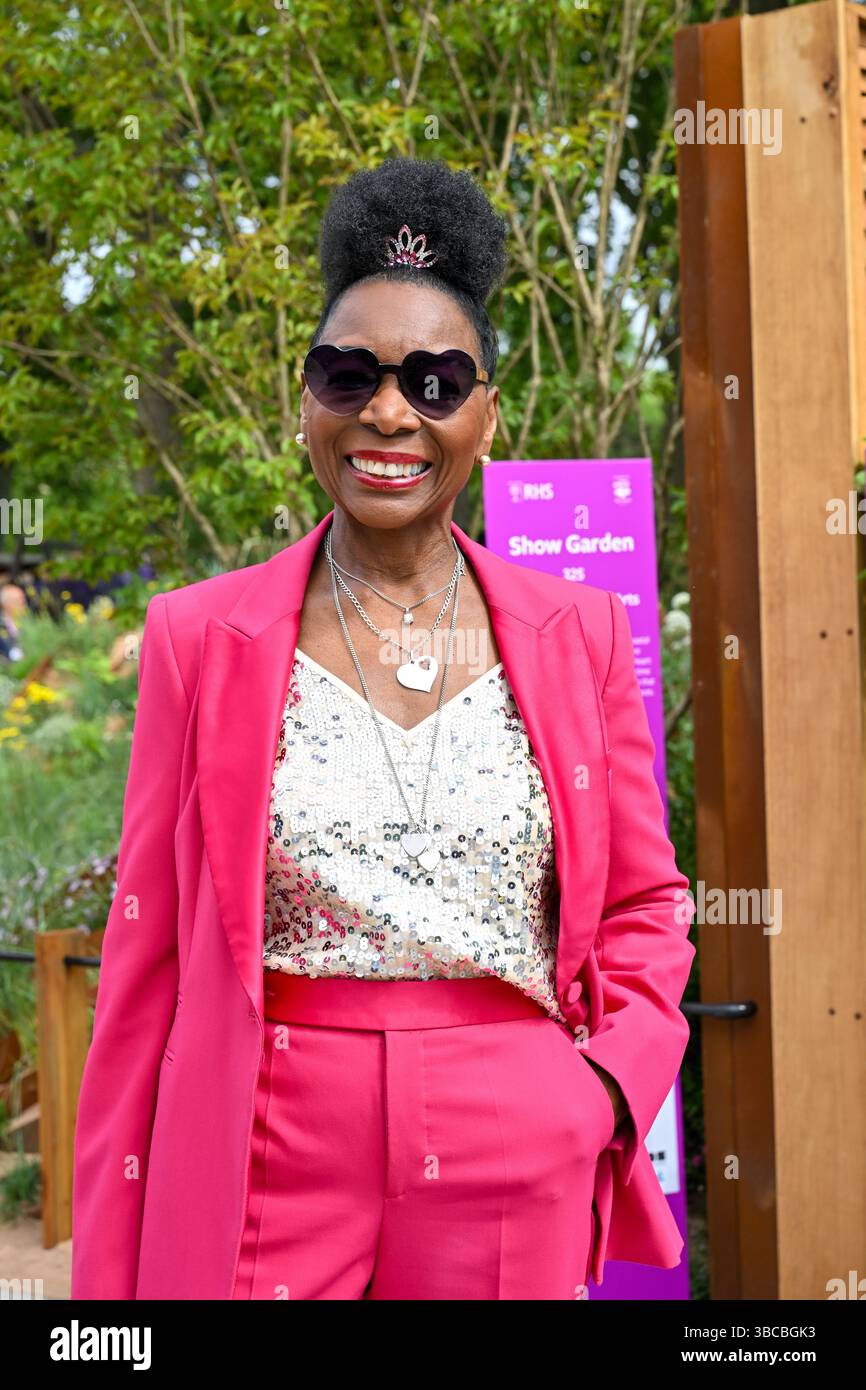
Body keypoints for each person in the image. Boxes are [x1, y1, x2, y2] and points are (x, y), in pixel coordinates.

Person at [71, 156, 695, 1301]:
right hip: (267, 1138)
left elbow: (644, 905)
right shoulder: (196, 639)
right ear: (306, 399)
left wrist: (604, 1089)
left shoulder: (582, 633)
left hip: (516, 1138)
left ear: (487, 411)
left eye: (435, 378)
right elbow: (144, 963)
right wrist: (108, 1284)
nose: (388, 411)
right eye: (347, 373)